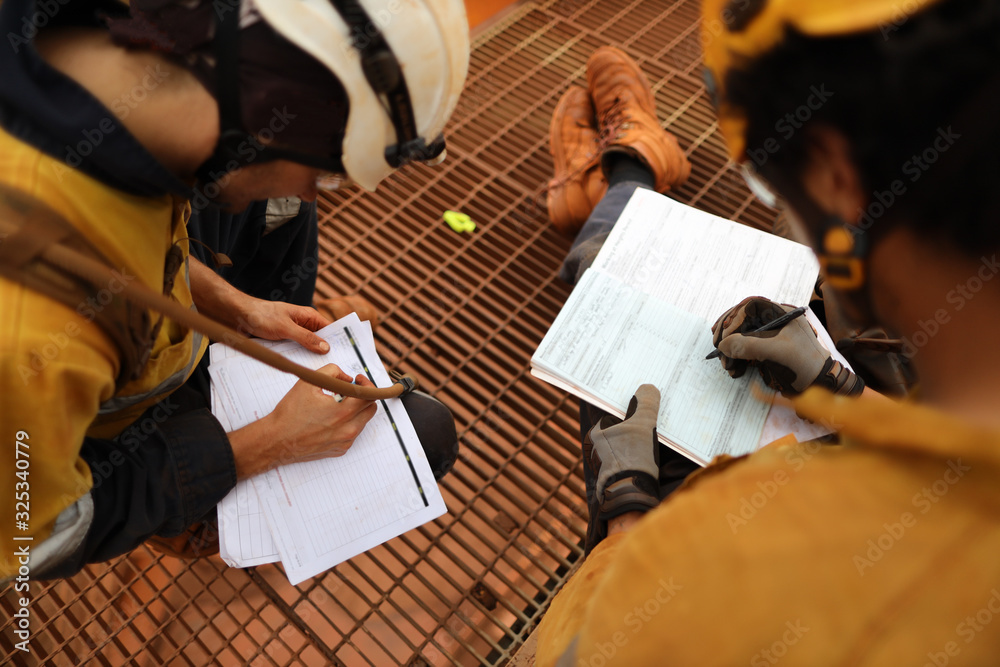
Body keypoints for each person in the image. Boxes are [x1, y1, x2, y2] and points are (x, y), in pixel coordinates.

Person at [535, 1, 1000, 663]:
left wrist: (626, 516)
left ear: (836, 180)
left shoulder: (731, 554)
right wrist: (846, 395)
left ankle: (627, 173)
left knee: (606, 284)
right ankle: (626, 173)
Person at [0, 0, 468, 579]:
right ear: (271, 107)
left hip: (150, 361)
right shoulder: (29, 332)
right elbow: (36, 537)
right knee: (423, 442)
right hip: (98, 446)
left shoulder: (110, 77)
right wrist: (266, 445)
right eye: (325, 174)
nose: (318, 194)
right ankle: (191, 524)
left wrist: (236, 305)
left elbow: (122, 250)